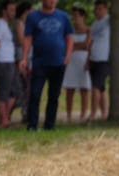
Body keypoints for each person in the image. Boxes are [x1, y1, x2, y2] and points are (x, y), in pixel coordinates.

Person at [20, 0, 74, 131]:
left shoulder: (63, 17)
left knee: (54, 96)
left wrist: (66, 58)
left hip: (58, 62)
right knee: (35, 94)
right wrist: (24, 58)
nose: (52, 1)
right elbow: (28, 38)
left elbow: (69, 38)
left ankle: (49, 125)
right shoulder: (33, 17)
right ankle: (32, 125)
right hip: (39, 62)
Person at [0, 0, 18, 128]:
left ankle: (5, 117)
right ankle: (3, 120)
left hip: (10, 62)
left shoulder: (6, 25)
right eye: (11, 10)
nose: (14, 13)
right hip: (3, 62)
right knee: (4, 92)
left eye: (14, 10)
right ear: (4, 11)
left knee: (14, 92)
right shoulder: (0, 24)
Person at [62, 4, 91, 123]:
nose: (75, 19)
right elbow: (66, 45)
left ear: (82, 16)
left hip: (83, 61)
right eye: (73, 16)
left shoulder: (88, 30)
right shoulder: (69, 30)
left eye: (77, 16)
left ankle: (83, 114)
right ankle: (68, 115)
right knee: (70, 89)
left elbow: (87, 45)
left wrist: (74, 46)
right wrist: (74, 47)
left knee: (84, 89)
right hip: (71, 61)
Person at [87, 0, 110, 121]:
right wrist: (88, 59)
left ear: (106, 9)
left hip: (103, 59)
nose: (97, 11)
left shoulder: (109, 21)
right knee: (101, 88)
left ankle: (93, 114)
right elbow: (91, 42)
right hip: (94, 59)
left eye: (100, 9)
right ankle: (104, 113)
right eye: (96, 9)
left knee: (95, 87)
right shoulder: (95, 23)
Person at [12, 1, 32, 124]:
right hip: (21, 58)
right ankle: (16, 110)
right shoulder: (19, 23)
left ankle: (25, 112)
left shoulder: (25, 23)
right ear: (26, 11)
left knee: (27, 87)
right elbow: (21, 40)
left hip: (27, 57)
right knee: (24, 87)